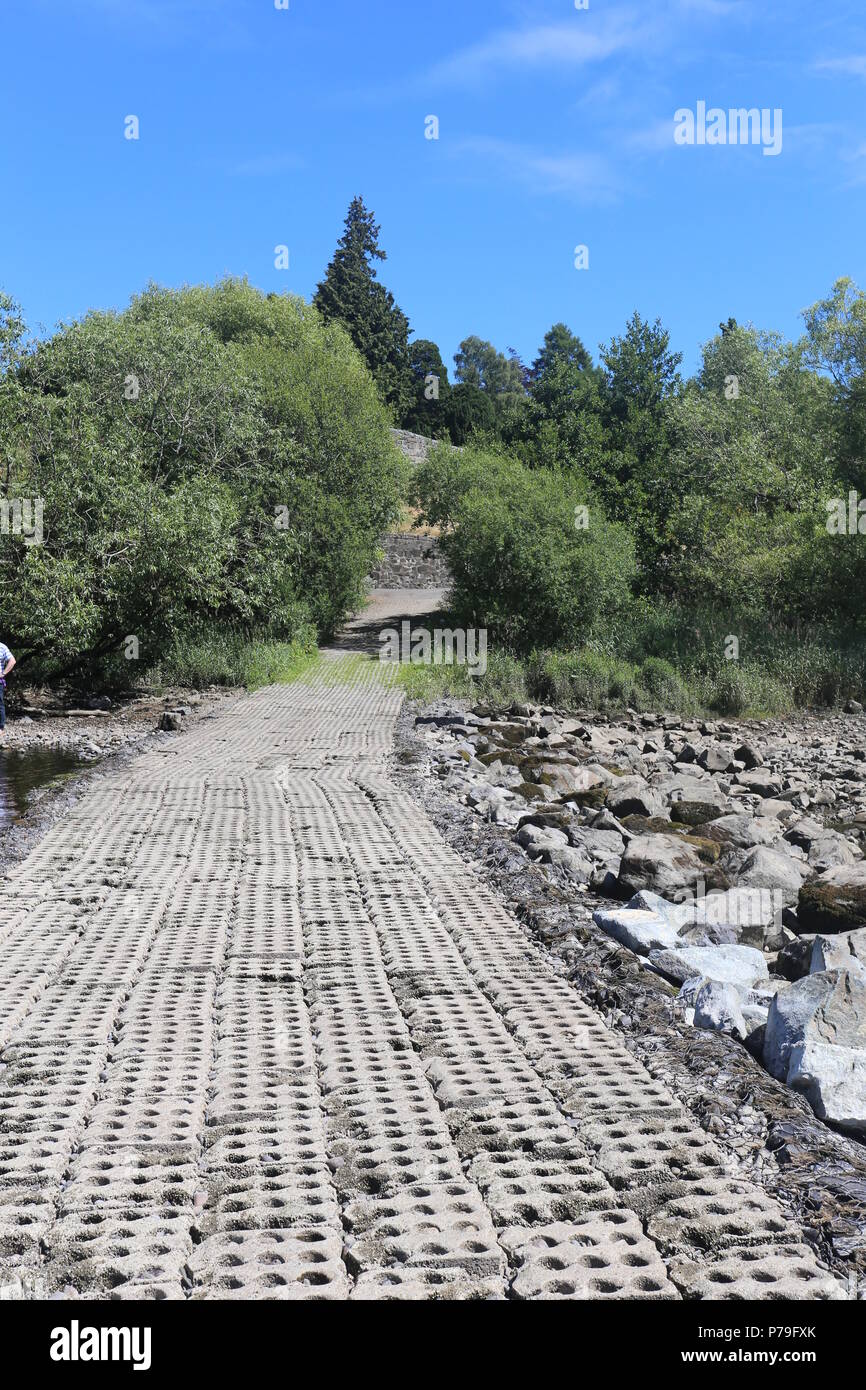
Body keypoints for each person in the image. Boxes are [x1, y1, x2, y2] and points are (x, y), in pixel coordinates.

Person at [0, 640, 16, 735]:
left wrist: (3, 673)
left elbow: (12, 660)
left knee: (0, 704)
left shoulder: (2, 647)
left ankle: (1, 728)